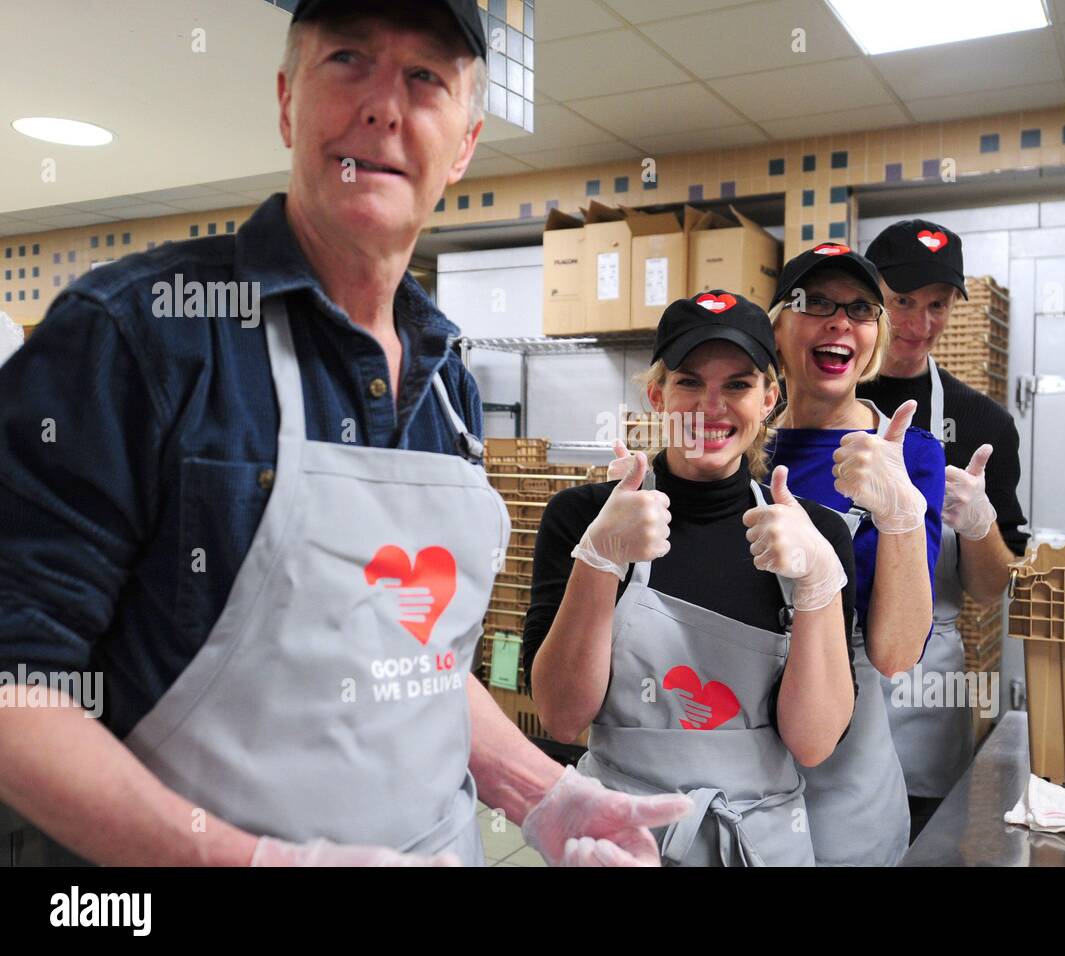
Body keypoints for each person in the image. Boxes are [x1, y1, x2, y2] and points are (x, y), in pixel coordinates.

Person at [0, 0, 691, 868]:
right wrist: (252, 865)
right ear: (287, 100)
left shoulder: (447, 386)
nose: (383, 107)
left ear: (466, 143)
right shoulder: (138, 336)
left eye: (424, 77)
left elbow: (417, 663)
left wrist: (539, 791)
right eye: (348, 60)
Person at [525, 291, 859, 866]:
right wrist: (599, 560)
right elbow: (560, 717)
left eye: (738, 384)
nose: (711, 406)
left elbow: (813, 742)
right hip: (618, 836)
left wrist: (819, 583)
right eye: (688, 382)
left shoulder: (813, 533)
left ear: (769, 399)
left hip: (760, 843)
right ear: (657, 394)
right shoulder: (584, 517)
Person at [766, 242, 945, 865]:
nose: (840, 322)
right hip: (735, 758)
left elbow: (896, 653)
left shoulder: (909, 454)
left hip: (845, 785)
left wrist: (900, 515)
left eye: (862, 309)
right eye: (816, 303)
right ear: (777, 327)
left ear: (875, 335)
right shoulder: (739, 444)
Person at [859, 220, 1029, 837]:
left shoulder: (982, 422)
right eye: (903, 301)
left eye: (938, 305)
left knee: (922, 839)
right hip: (817, 664)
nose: (920, 323)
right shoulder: (813, 402)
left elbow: (990, 587)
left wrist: (979, 523)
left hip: (921, 688)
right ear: (870, 297)